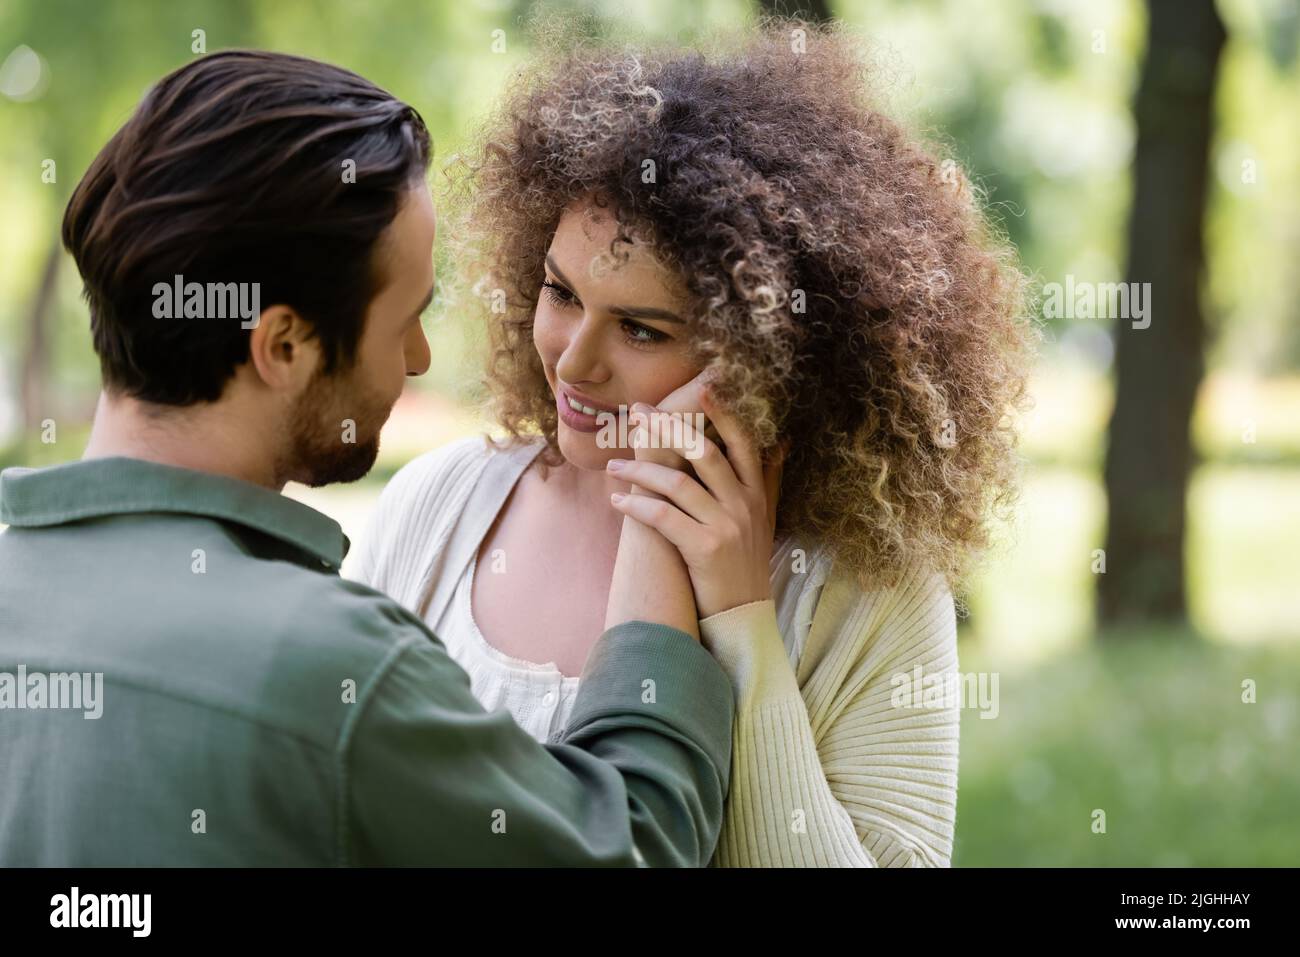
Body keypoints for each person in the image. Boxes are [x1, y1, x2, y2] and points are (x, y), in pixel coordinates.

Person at [0, 50, 737, 867]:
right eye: (404, 320)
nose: (420, 359)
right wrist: (654, 508)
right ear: (284, 344)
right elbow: (634, 844)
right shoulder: (335, 675)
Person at [357, 24, 1036, 867]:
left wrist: (742, 624)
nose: (573, 358)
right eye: (560, 292)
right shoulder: (439, 508)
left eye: (641, 328)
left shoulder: (868, 592)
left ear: (766, 352)